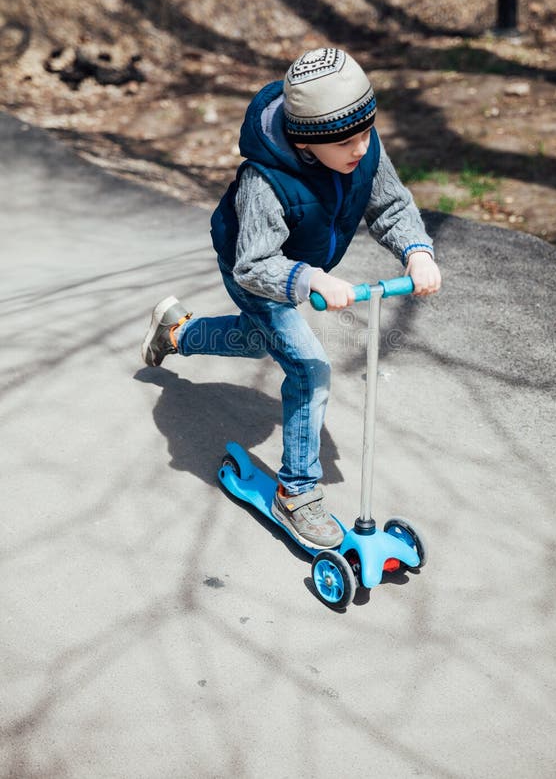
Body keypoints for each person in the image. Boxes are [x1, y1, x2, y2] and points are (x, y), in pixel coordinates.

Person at [141, 47, 441, 549]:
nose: (361, 148)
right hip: (255, 269)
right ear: (306, 141)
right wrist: (311, 279)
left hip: (298, 269)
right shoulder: (264, 182)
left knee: (256, 340)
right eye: (346, 141)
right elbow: (254, 264)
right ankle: (296, 492)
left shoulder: (362, 148)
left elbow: (391, 205)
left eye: (367, 133)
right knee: (308, 368)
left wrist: (417, 251)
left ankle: (176, 333)